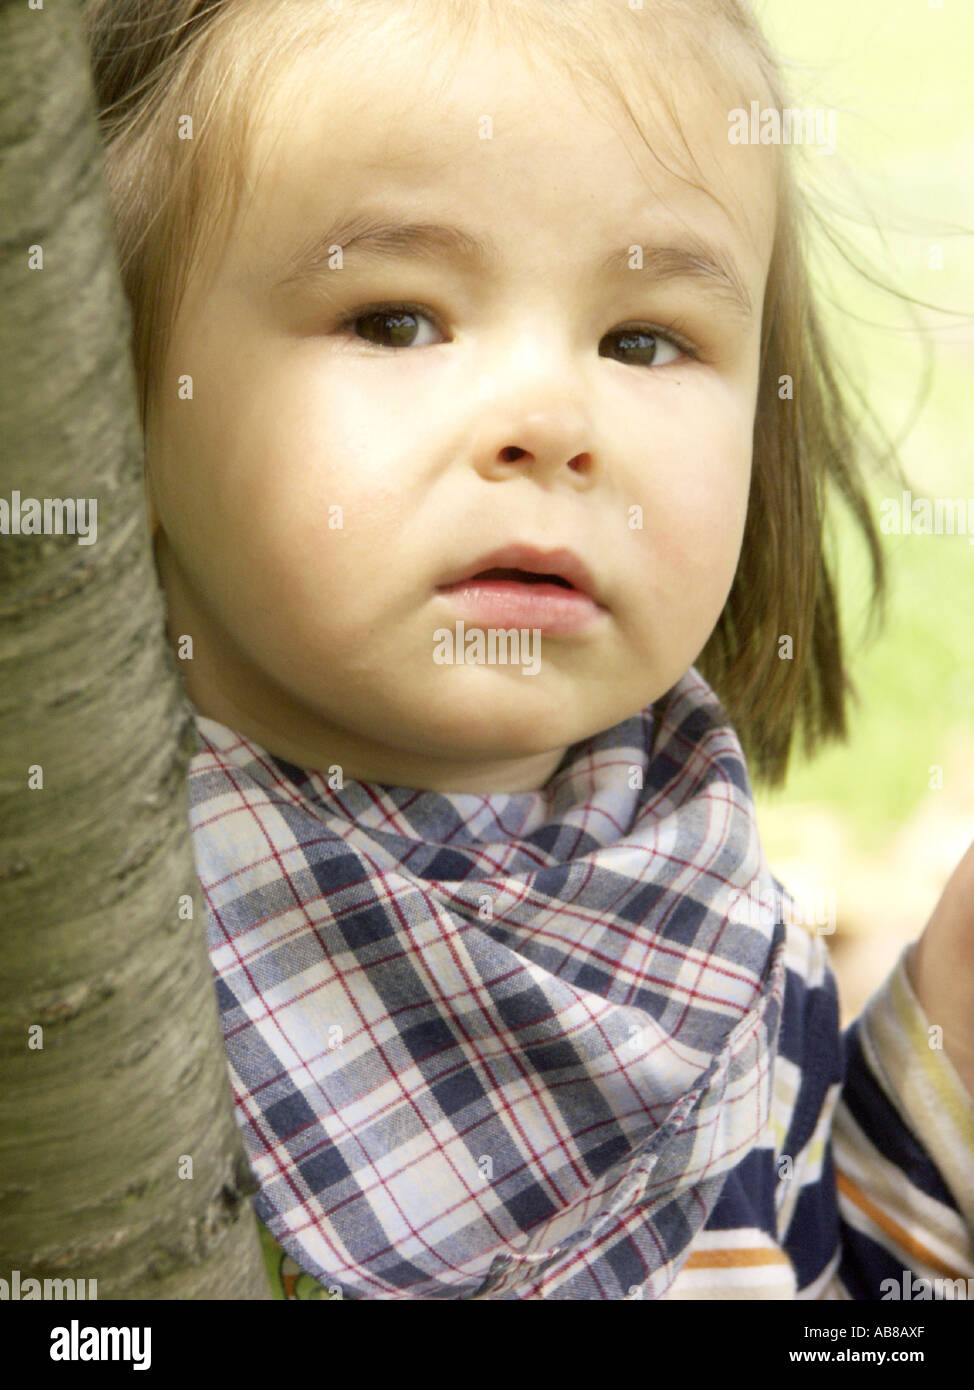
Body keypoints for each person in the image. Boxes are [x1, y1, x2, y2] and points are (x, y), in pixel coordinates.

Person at [82, 0, 974, 1299]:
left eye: (641, 340)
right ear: (110, 402)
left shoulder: (695, 892)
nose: (552, 421)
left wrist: (937, 1078)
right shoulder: (79, 937)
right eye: (396, 320)